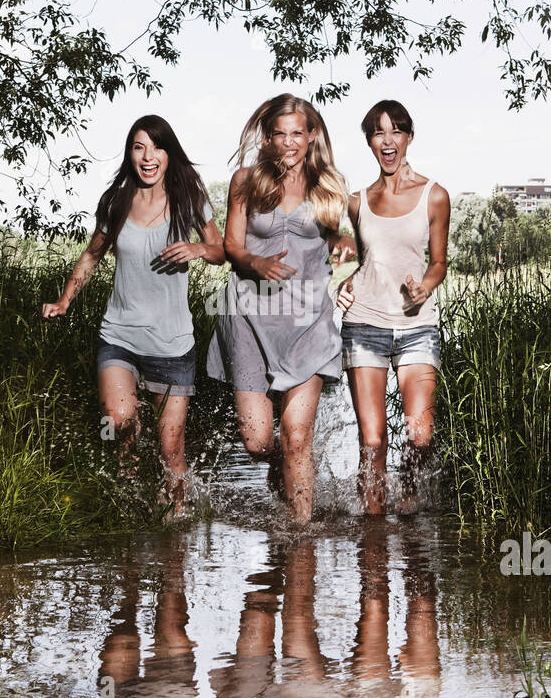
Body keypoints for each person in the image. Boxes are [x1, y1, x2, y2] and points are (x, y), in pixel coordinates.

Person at [43, 116, 224, 515]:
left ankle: (176, 527)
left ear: (168, 154)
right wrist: (65, 300)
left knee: (170, 451)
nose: (148, 156)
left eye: (156, 147)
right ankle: (130, 509)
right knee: (120, 420)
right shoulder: (116, 201)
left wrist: (196, 249)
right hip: (120, 335)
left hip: (172, 344)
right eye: (139, 147)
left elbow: (220, 250)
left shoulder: (189, 198)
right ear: (130, 154)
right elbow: (92, 254)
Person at [206, 93, 354, 524]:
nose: (289, 143)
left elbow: (332, 240)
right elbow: (231, 245)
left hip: (309, 321)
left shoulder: (328, 185)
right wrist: (256, 262)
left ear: (311, 135)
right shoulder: (245, 181)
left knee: (296, 437)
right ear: (267, 138)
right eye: (280, 134)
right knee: (256, 441)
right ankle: (278, 468)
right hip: (249, 317)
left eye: (297, 133)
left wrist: (344, 243)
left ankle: (300, 540)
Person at [336, 100, 450, 515]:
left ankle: (407, 498)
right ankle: (373, 527)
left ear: (408, 138)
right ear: (370, 142)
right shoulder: (355, 201)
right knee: (373, 441)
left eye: (396, 131)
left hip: (418, 326)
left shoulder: (434, 196)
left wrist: (424, 287)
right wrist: (345, 283)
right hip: (364, 324)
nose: (388, 140)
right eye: (378, 132)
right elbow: (359, 257)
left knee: (420, 435)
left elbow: (439, 263)